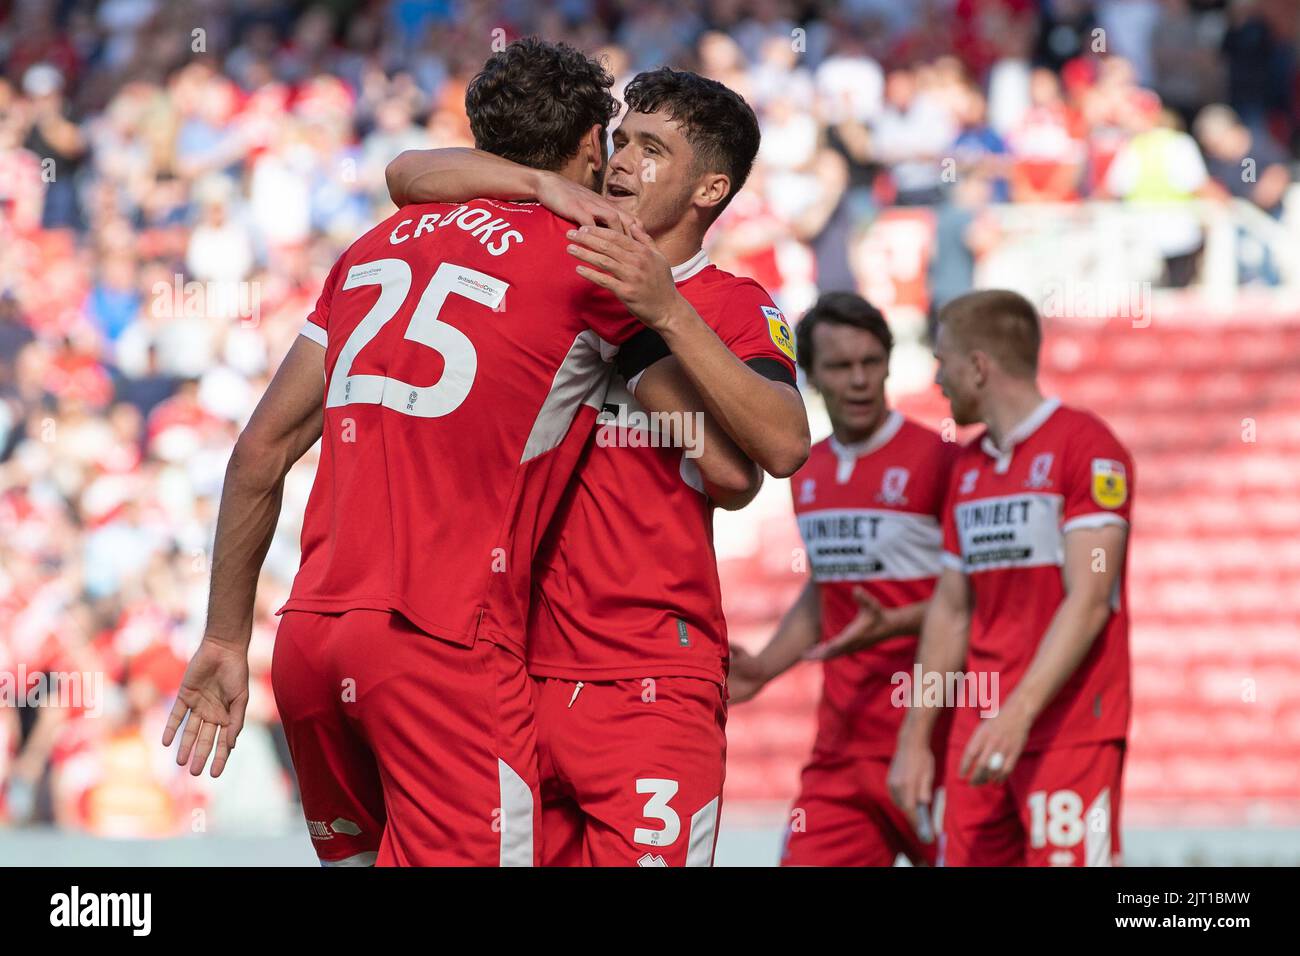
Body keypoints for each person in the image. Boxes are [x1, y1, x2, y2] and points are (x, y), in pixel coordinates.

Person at [162, 39, 717, 867]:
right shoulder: (588, 259)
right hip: (441, 644)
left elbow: (258, 453)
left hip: (310, 643)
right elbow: (720, 453)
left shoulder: (370, 252)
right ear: (589, 149)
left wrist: (220, 640)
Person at [385, 66, 810, 866]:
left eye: (652, 148)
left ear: (709, 188)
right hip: (507, 668)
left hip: (649, 676)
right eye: (620, 140)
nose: (619, 161)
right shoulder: (551, 259)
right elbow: (408, 176)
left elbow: (780, 449)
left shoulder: (731, 302)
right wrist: (538, 186)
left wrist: (665, 313)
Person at [890, 289, 1134, 867]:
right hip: (979, 732)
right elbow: (952, 611)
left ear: (978, 365)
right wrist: (915, 739)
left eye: (942, 359)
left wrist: (1017, 715)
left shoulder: (1088, 448)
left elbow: (1092, 597)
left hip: (1068, 730)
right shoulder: (967, 468)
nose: (937, 378)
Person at [729, 292, 957, 865]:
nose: (858, 380)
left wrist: (900, 621)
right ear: (811, 375)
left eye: (870, 363)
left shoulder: (940, 460)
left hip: (937, 742)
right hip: (843, 748)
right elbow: (824, 588)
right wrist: (762, 666)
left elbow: (983, 598)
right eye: (839, 366)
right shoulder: (810, 467)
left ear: (887, 362)